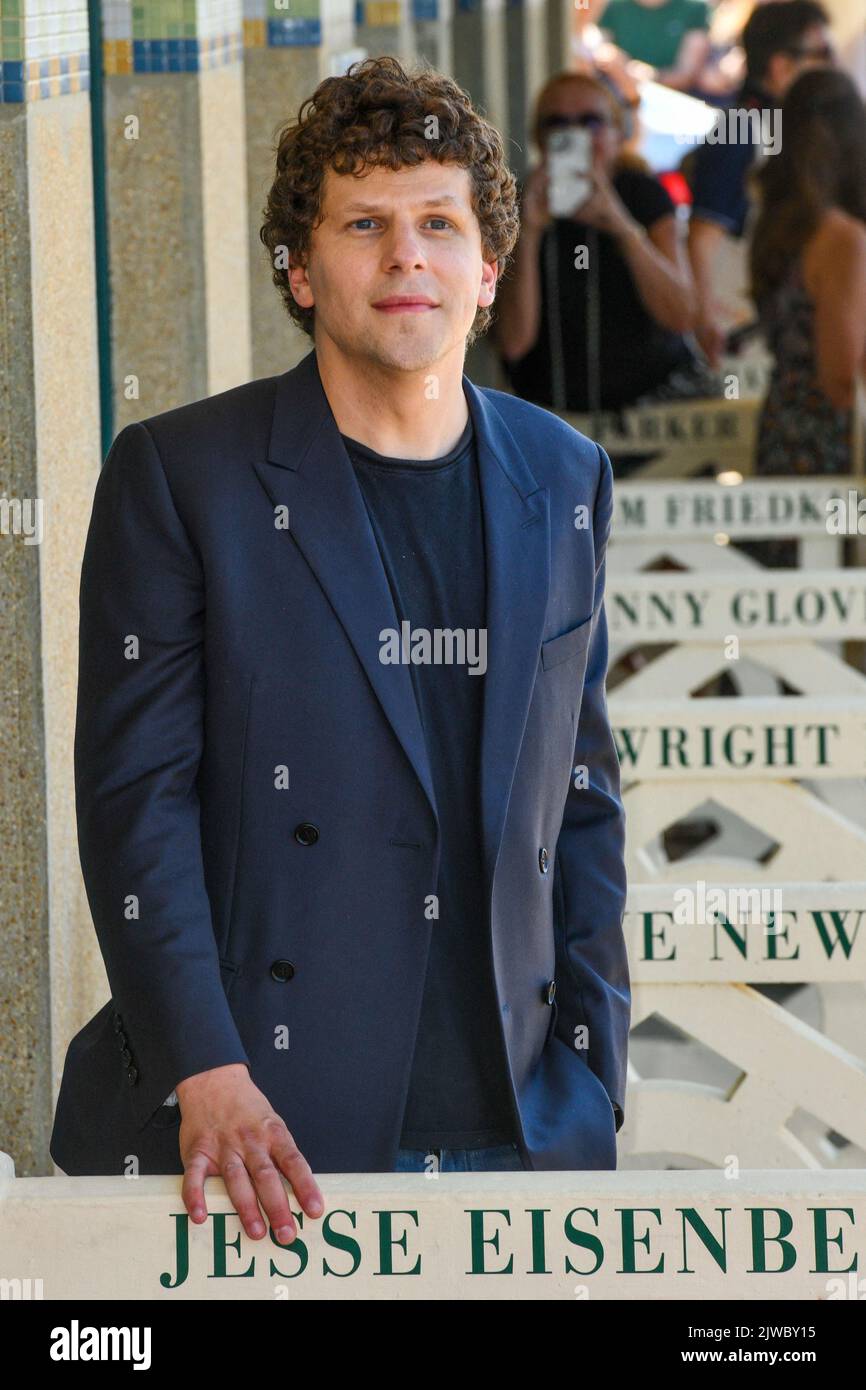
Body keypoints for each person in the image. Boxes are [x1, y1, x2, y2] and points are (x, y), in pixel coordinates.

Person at [50, 56, 630, 1240]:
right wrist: (203, 1068)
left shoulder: (563, 477)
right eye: (363, 223)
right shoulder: (182, 478)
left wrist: (592, 1070)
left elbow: (582, 799)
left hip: (520, 1136)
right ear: (301, 271)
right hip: (260, 1144)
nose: (405, 254)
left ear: (486, 270)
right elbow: (133, 804)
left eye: (436, 223)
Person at [496, 71, 712, 426]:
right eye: (558, 123)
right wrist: (529, 232)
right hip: (553, 413)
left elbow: (682, 316)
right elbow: (514, 342)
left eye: (591, 121)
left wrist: (623, 228)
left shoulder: (642, 193)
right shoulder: (521, 202)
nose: (575, 134)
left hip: (652, 407)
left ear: (617, 134)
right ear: (539, 137)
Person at [687, 0, 835, 367]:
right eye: (823, 54)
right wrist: (705, 324)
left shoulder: (788, 129)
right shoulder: (740, 126)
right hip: (741, 346)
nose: (834, 67)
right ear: (782, 66)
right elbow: (702, 239)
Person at [750, 67, 866, 477]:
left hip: (782, 429)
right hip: (831, 450)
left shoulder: (777, 226)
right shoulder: (843, 239)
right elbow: (842, 381)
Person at [597, 0, 712, 92]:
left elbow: (687, 75)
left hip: (670, 105)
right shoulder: (613, 5)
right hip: (616, 97)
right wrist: (612, 61)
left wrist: (653, 76)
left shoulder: (695, 8)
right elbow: (600, 51)